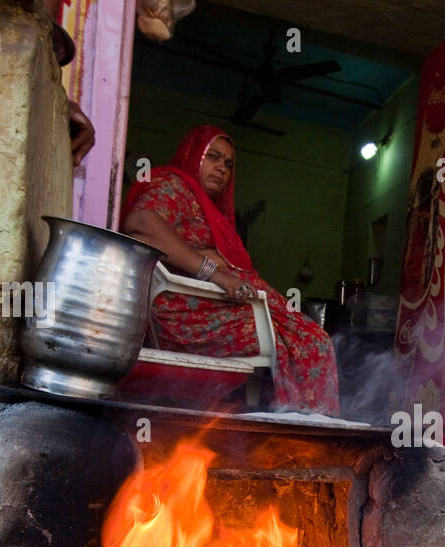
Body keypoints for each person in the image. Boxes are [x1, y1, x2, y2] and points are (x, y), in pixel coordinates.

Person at [120, 125, 340, 414]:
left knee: (309, 341)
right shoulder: (174, 186)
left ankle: (294, 425)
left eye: (228, 163)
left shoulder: (199, 202)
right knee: (313, 344)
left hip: (213, 306)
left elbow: (171, 242)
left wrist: (205, 258)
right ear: (193, 154)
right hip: (187, 315)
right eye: (213, 157)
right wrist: (212, 269)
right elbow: (141, 224)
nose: (222, 168)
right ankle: (307, 434)